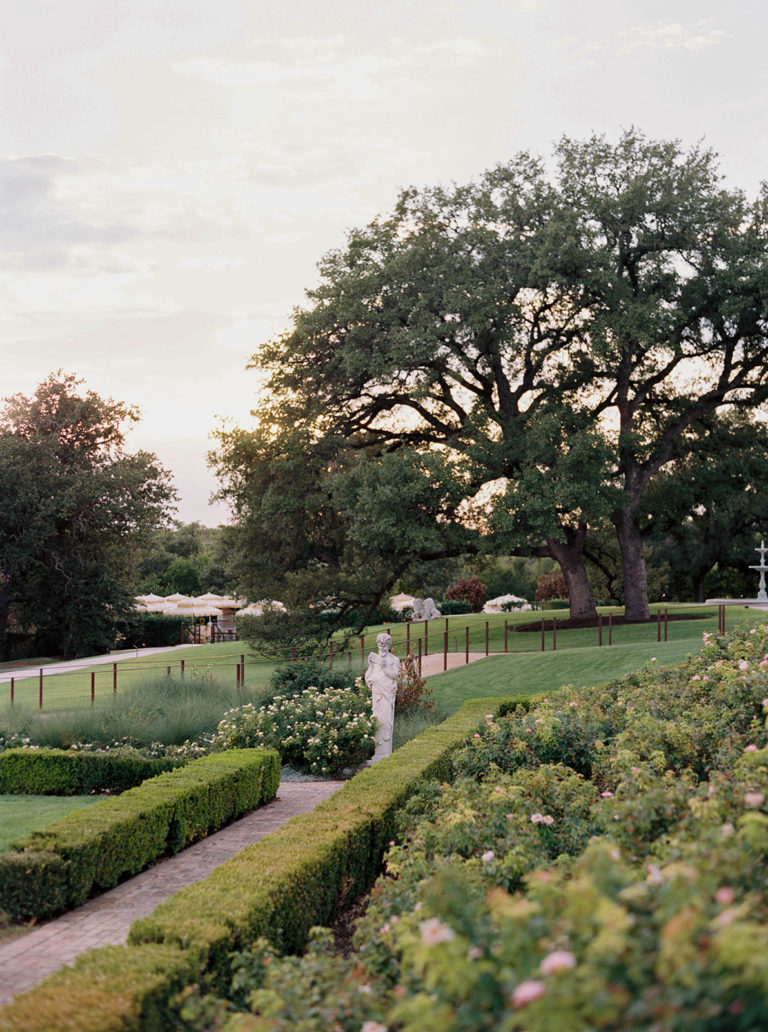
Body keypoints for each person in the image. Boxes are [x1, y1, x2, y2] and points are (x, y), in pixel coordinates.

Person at [365, 632, 400, 762]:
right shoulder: (374, 658)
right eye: (380, 644)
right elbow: (369, 676)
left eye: (385, 644)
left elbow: (395, 675)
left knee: (386, 719)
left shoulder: (394, 659)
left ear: (389, 645)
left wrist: (384, 667)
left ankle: (385, 753)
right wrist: (371, 665)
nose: (382, 646)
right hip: (377, 692)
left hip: (387, 692)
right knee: (377, 718)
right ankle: (378, 754)